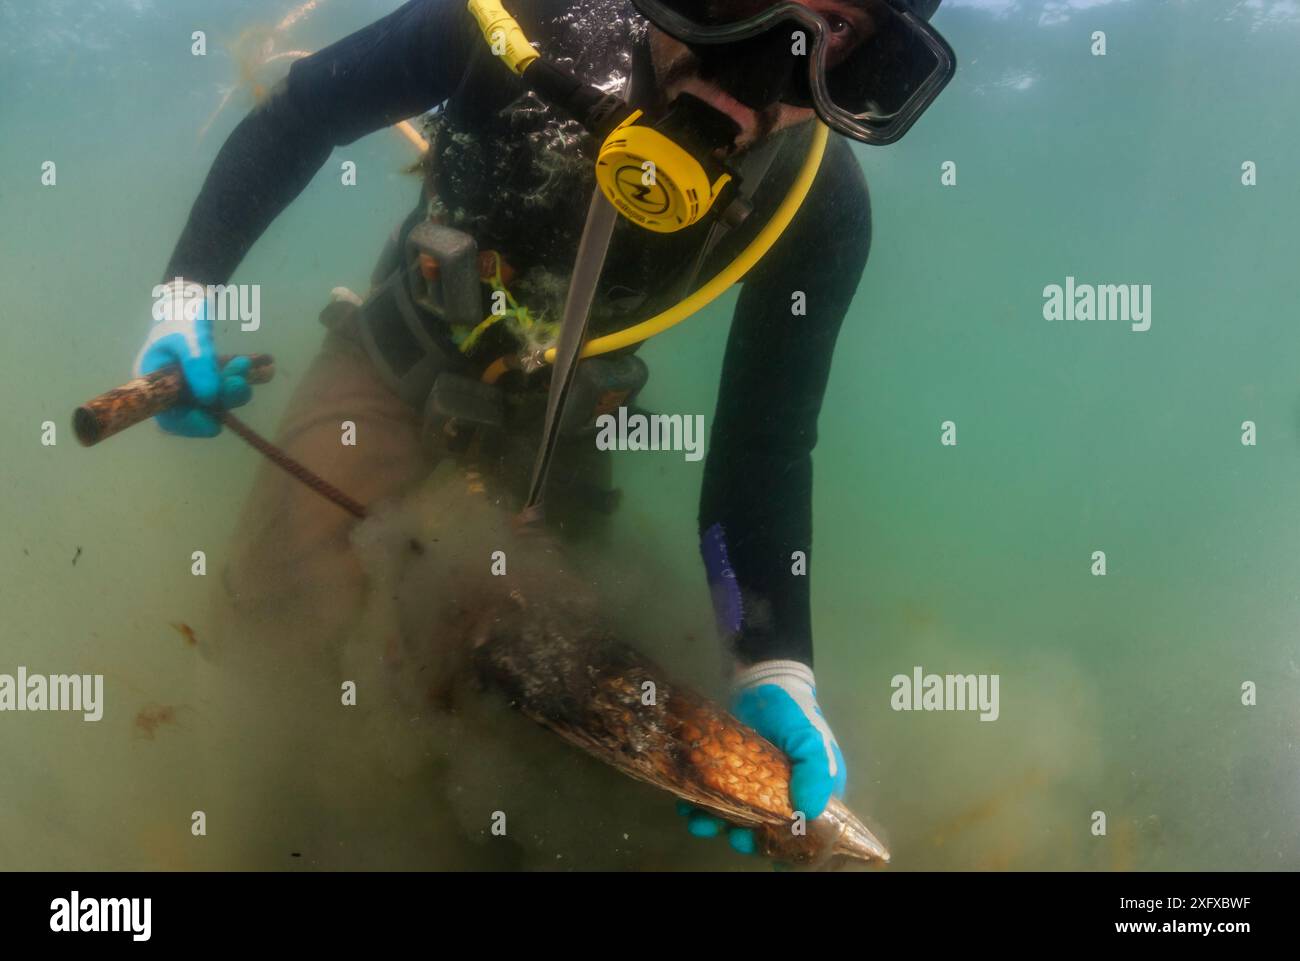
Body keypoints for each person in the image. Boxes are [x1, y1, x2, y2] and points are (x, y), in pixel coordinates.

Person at [133, 0, 953, 857]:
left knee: (538, 699)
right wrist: (185, 300)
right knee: (286, 605)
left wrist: (773, 663)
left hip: (564, 425)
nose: (758, 71)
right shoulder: (520, 19)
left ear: (870, 64)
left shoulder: (815, 209)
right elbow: (306, 110)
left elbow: (765, 443)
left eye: (836, 32)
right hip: (398, 359)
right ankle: (255, 831)